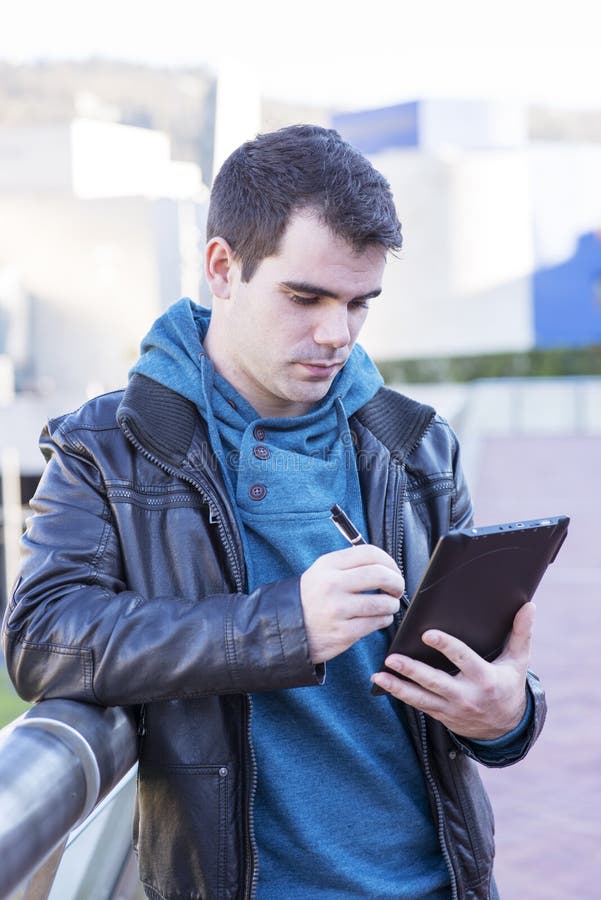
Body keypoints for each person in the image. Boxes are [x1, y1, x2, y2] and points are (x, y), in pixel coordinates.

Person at [2, 124, 545, 900]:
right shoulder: (109, 445)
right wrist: (285, 625)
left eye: (358, 303)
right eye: (304, 297)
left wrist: (507, 713)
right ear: (222, 268)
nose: (336, 334)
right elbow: (42, 638)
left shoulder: (418, 445)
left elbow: (474, 679)